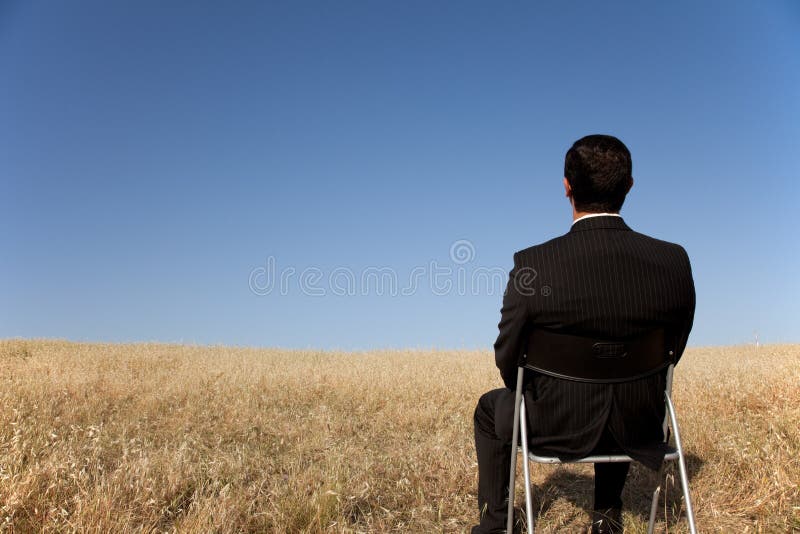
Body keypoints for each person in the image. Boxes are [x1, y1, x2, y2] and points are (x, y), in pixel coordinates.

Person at [471, 135, 695, 534]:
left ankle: (496, 526)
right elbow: (674, 349)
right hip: (640, 422)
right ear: (628, 187)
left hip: (554, 424)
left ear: (566, 187)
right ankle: (607, 518)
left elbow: (508, 359)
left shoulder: (533, 265)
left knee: (490, 411)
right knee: (625, 385)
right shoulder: (673, 262)